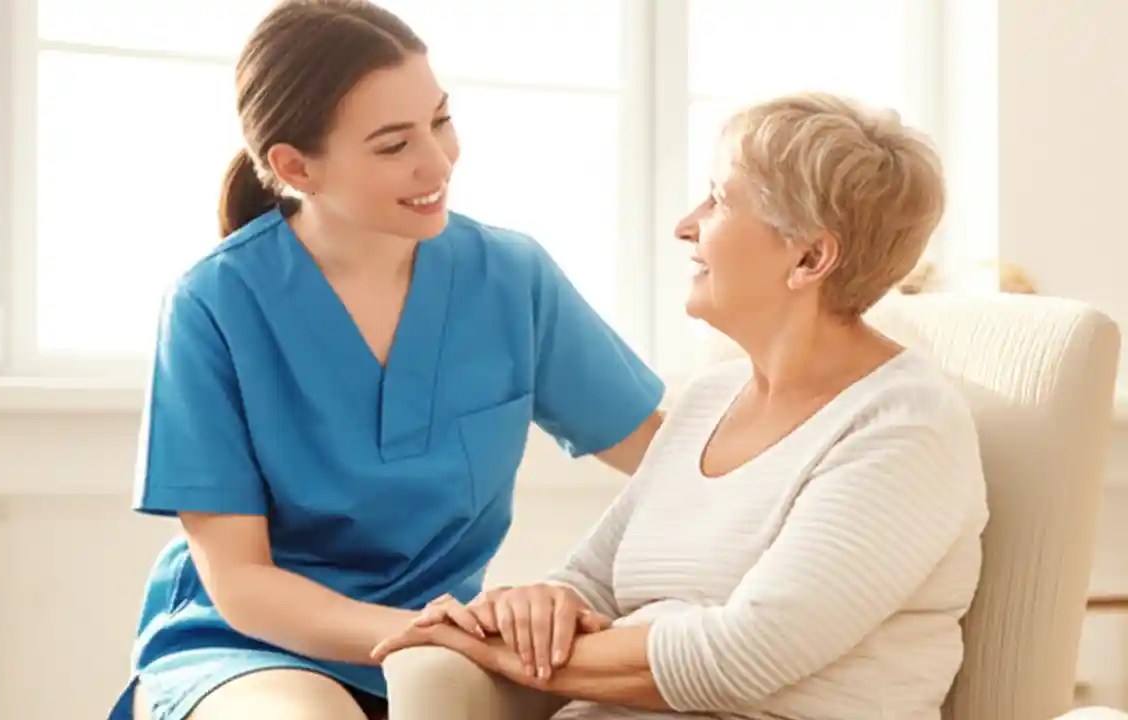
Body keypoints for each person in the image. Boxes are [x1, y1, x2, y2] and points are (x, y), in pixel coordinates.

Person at [105, 2, 666, 719]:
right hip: (253, 648)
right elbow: (242, 582)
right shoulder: (213, 303)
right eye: (392, 144)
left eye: (440, 120)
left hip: (440, 652)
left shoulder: (511, 277)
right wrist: (424, 633)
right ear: (294, 166)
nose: (437, 162)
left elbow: (662, 454)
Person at [376, 92, 991, 720]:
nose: (686, 225)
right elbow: (591, 583)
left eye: (720, 200)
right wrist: (534, 606)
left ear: (810, 257)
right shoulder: (709, 399)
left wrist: (495, 652)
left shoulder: (904, 429)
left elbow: (743, 655)